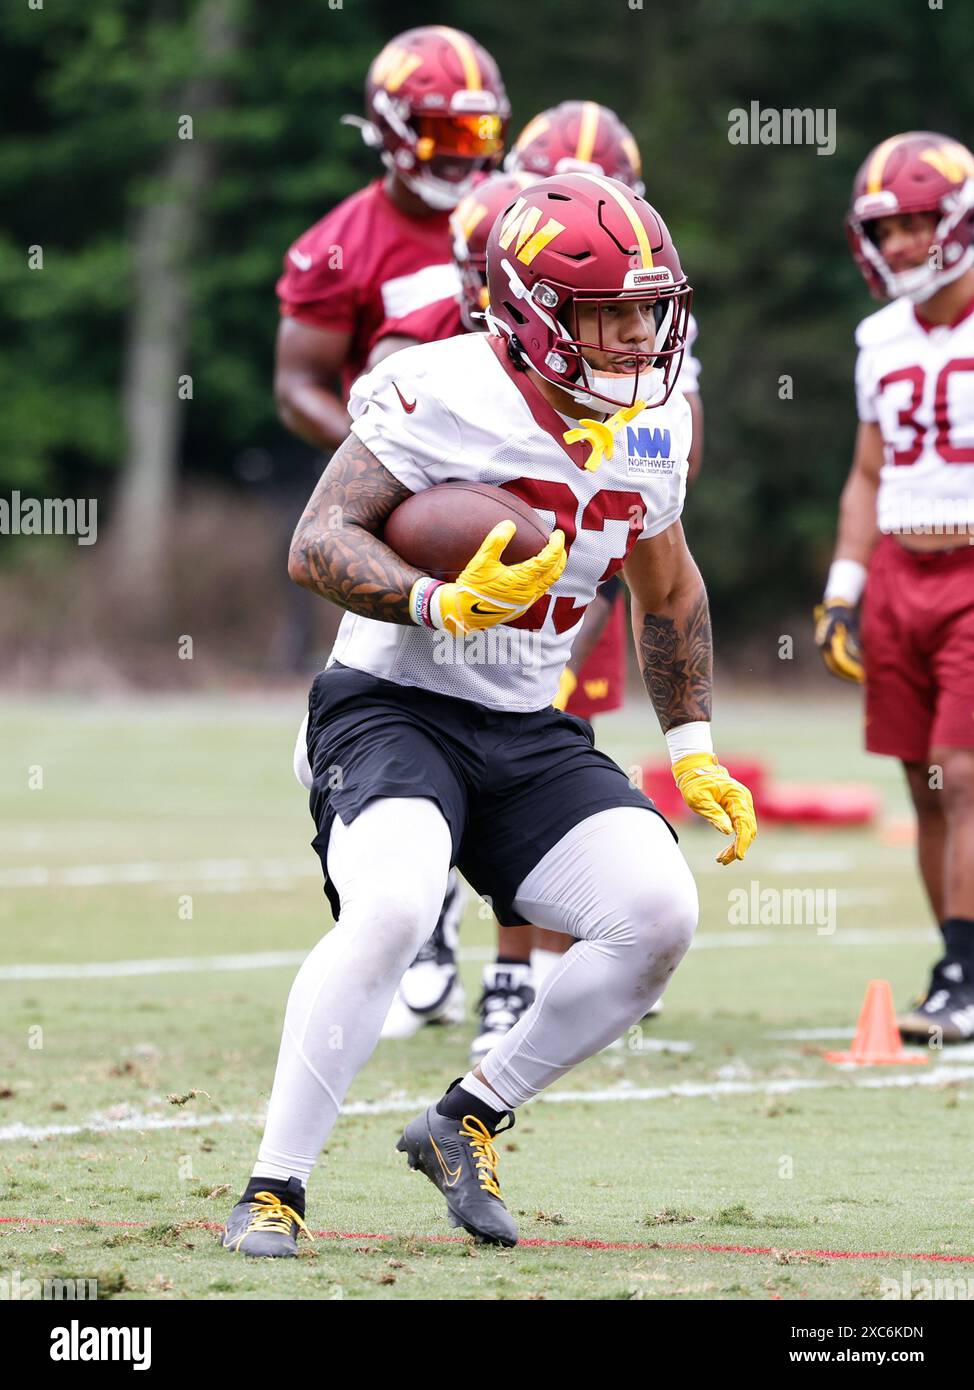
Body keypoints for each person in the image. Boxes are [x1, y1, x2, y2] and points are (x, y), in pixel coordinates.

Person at [221, 173, 756, 1254]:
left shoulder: (651, 422)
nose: (632, 335)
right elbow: (317, 540)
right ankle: (273, 1185)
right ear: (530, 312)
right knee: (393, 904)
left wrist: (692, 747)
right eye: (604, 310)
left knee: (656, 912)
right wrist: (429, 597)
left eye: (646, 309)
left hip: (523, 720)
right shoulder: (440, 387)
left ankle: (464, 1117)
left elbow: (668, 588)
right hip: (390, 706)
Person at [279, 25, 509, 1032]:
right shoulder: (342, 240)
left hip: (514, 502)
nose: (464, 150)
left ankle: (515, 949)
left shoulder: (516, 214)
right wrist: (393, 475)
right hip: (406, 512)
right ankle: (407, 915)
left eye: (479, 127)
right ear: (387, 131)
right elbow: (296, 383)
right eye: (442, 128)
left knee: (508, 715)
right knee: (374, 701)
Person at [469, 103, 706, 1056]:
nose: (632, 329)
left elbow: (671, 531)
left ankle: (561, 966)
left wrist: (693, 743)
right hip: (467, 582)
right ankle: (490, 966)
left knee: (555, 749)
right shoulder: (467, 352)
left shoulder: (646, 342)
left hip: (586, 568)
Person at [816, 131, 974, 1044]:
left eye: (918, 223)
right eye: (889, 227)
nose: (903, 245)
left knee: (964, 775)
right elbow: (867, 473)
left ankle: (962, 972)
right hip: (900, 574)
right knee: (922, 784)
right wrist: (845, 588)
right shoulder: (876, 337)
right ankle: (958, 964)